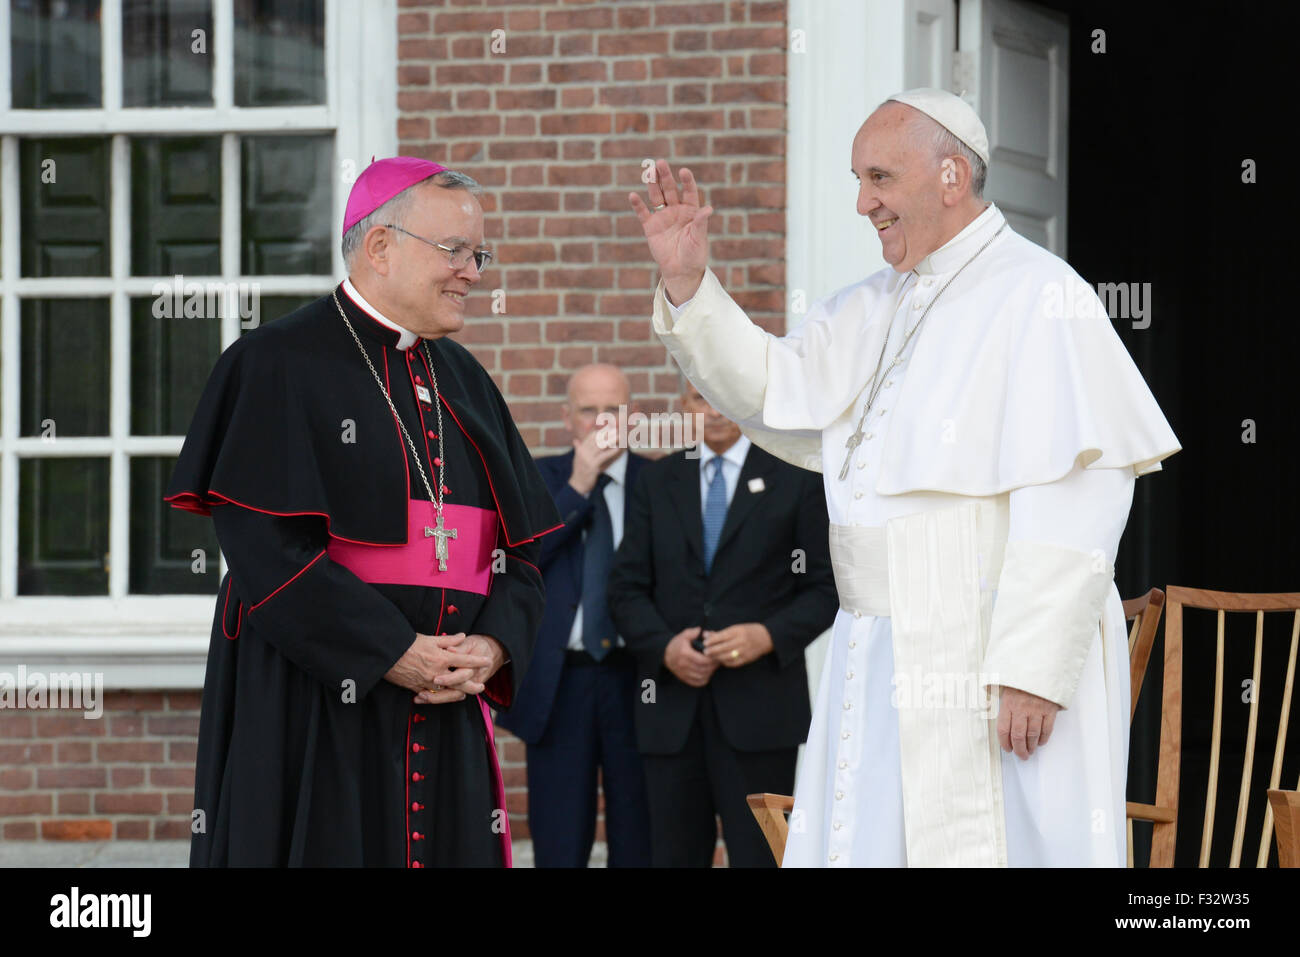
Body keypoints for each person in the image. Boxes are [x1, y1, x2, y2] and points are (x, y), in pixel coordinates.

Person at [628, 88, 1181, 867]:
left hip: (991, 652)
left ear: (951, 175)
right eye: (859, 180)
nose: (862, 202)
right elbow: (771, 388)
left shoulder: (1041, 294)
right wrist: (690, 285)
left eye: (879, 177)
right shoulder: (874, 303)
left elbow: (1080, 497)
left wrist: (1033, 666)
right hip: (878, 644)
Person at [167, 156, 561, 867]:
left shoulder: (467, 380)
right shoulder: (276, 362)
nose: (473, 272)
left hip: (445, 709)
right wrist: (392, 651)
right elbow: (266, 553)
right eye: (456, 252)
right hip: (315, 705)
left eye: (480, 254)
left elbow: (524, 556)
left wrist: (493, 645)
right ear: (381, 247)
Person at [607, 382, 838, 867]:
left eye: (722, 394)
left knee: (764, 856)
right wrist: (666, 648)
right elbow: (625, 588)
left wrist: (768, 636)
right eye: (698, 397)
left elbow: (825, 588)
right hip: (670, 716)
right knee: (672, 856)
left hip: (763, 717)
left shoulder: (796, 477)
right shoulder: (658, 481)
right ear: (683, 407)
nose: (711, 409)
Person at [497, 364, 653, 867]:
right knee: (560, 840)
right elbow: (520, 562)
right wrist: (580, 485)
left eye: (613, 410)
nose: (602, 422)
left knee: (640, 836)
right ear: (568, 418)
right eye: (589, 410)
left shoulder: (661, 482)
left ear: (632, 418)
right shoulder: (538, 478)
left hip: (641, 680)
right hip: (560, 683)